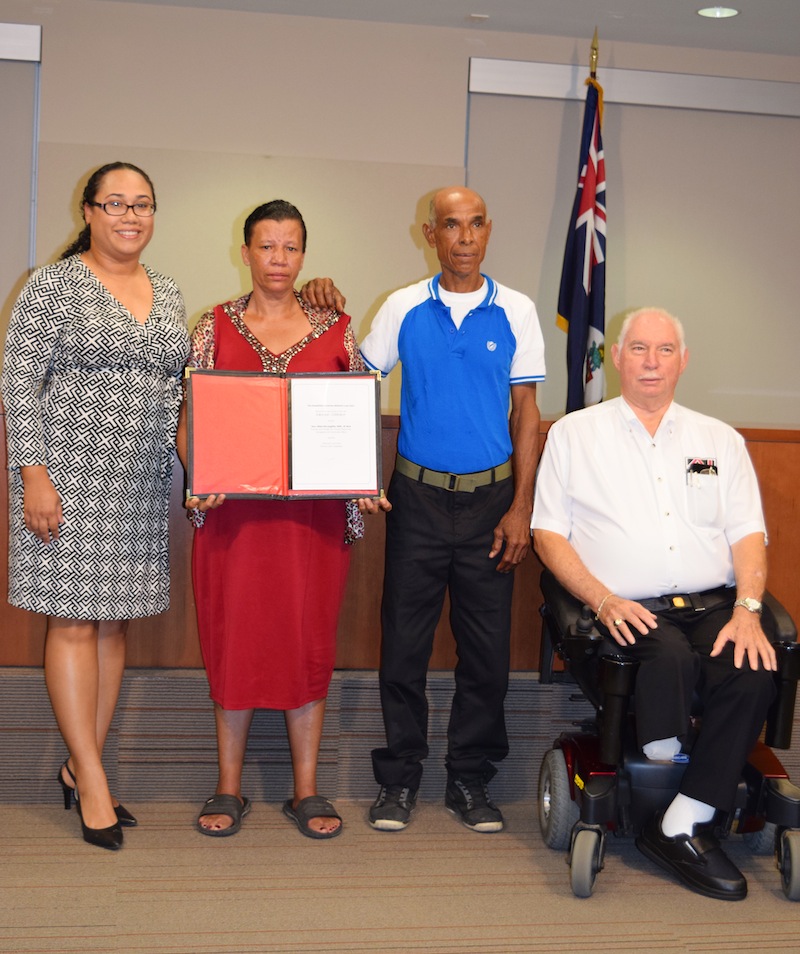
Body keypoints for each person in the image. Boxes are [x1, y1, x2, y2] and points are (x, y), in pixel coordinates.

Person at [532, 306, 777, 900]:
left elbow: (748, 531)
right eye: (638, 349)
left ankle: (681, 818)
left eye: (664, 350)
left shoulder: (718, 439)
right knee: (666, 656)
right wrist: (603, 599)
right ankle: (672, 773)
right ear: (616, 357)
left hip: (713, 602)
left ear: (683, 361)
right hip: (624, 604)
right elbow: (547, 533)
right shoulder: (574, 434)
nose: (650, 361)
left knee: (751, 668)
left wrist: (748, 607)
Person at [2, 162, 189, 850]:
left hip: (139, 482)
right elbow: (19, 381)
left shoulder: (167, 291)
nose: (130, 216)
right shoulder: (52, 285)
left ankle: (84, 765)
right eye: (116, 203)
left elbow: (180, 389)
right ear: (89, 211)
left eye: (143, 204)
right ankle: (94, 781)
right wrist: (33, 475)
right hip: (68, 476)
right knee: (76, 623)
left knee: (114, 626)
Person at [354, 186, 545, 832]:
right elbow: (355, 387)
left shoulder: (516, 310)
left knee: (486, 655)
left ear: (488, 230)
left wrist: (521, 505)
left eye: (474, 225)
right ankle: (399, 780)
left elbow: (526, 413)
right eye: (450, 226)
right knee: (403, 647)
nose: (464, 238)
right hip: (417, 500)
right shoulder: (402, 306)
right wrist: (356, 473)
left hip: (492, 504)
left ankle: (469, 780)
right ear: (429, 235)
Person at [178, 200, 365, 840]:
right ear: (246, 252)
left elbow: (357, 415)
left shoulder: (337, 329)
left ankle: (306, 789)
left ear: (303, 256)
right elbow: (192, 418)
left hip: (312, 524)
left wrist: (360, 480)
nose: (278, 259)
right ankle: (228, 787)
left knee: (306, 639)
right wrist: (201, 476)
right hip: (233, 521)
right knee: (233, 641)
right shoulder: (214, 325)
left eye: (290, 247)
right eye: (266, 246)